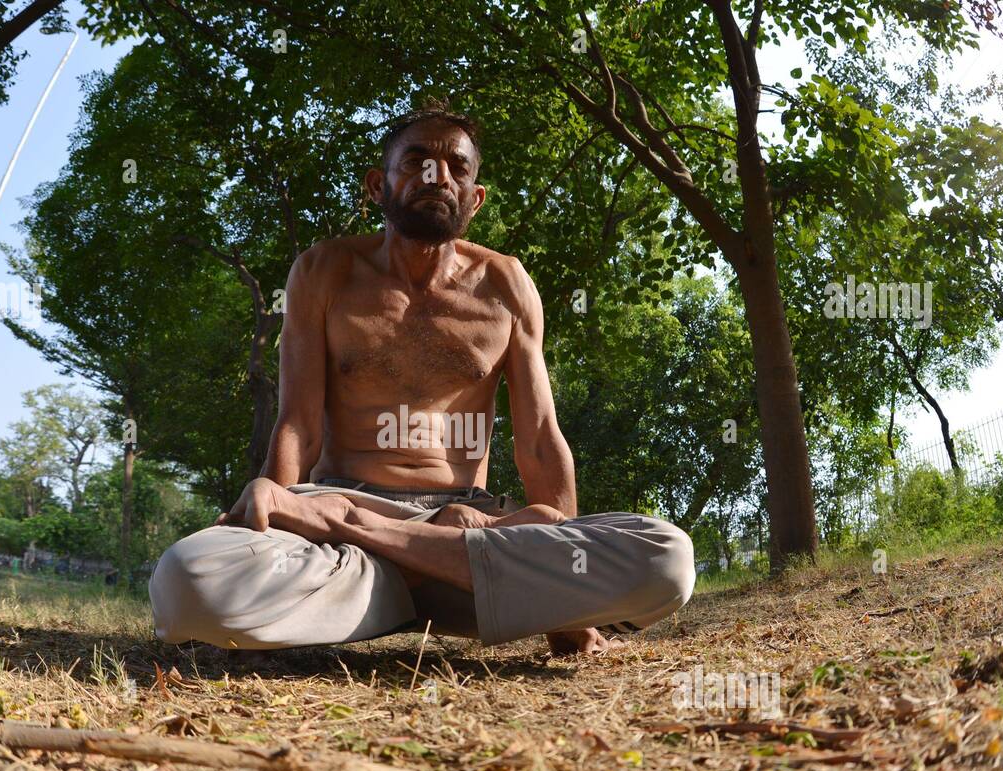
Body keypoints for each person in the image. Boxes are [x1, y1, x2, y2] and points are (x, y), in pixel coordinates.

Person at [149, 101, 695, 657]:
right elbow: (298, 425)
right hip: (348, 543)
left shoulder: (506, 284)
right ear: (376, 186)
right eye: (415, 161)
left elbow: (538, 438)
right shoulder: (323, 271)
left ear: (475, 199)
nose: (437, 176)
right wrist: (280, 520)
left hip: (465, 534)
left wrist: (563, 568)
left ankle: (370, 536)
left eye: (457, 167)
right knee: (186, 578)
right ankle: (376, 550)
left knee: (666, 557)